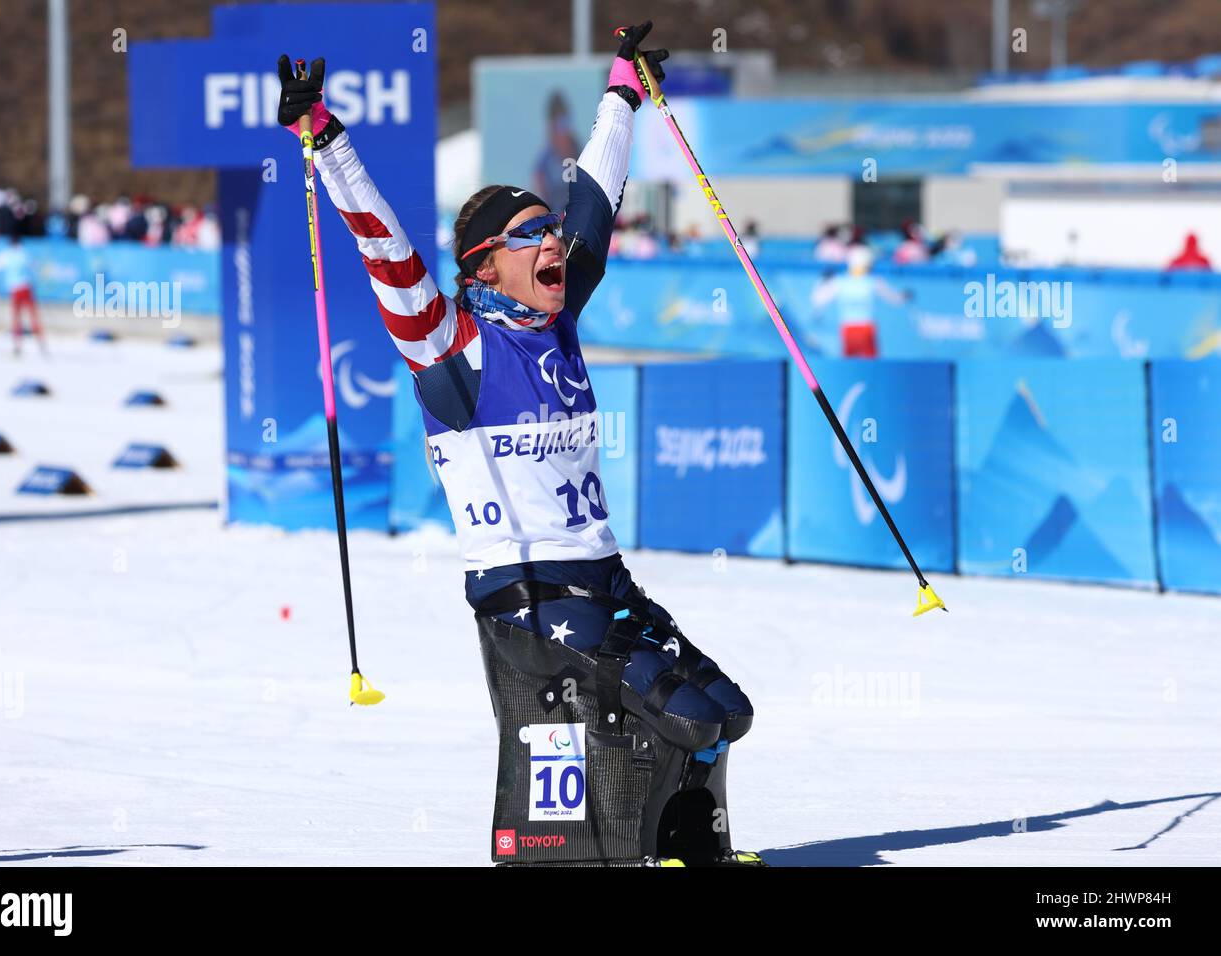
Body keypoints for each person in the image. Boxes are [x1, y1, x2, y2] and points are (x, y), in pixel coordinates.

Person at [278, 22, 758, 867]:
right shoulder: (452, 346)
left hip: (605, 580)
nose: (554, 244)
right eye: (530, 236)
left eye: (551, 232)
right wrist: (326, 139)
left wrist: (622, 92)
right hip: (526, 595)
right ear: (483, 266)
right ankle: (616, 851)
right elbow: (386, 250)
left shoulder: (557, 319)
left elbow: (595, 198)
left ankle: (692, 849)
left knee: (725, 712)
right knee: (681, 714)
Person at [810, 245, 909, 358]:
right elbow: (896, 299)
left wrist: (821, 281)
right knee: (869, 364)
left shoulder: (840, 282)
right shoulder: (872, 282)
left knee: (851, 364)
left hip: (851, 328)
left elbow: (817, 300)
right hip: (863, 328)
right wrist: (904, 297)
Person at [0, 234, 46, 356]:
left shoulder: (6, 254)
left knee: (16, 318)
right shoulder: (24, 253)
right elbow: (35, 266)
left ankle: (17, 345)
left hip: (15, 289)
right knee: (33, 316)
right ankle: (41, 343)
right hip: (27, 287)